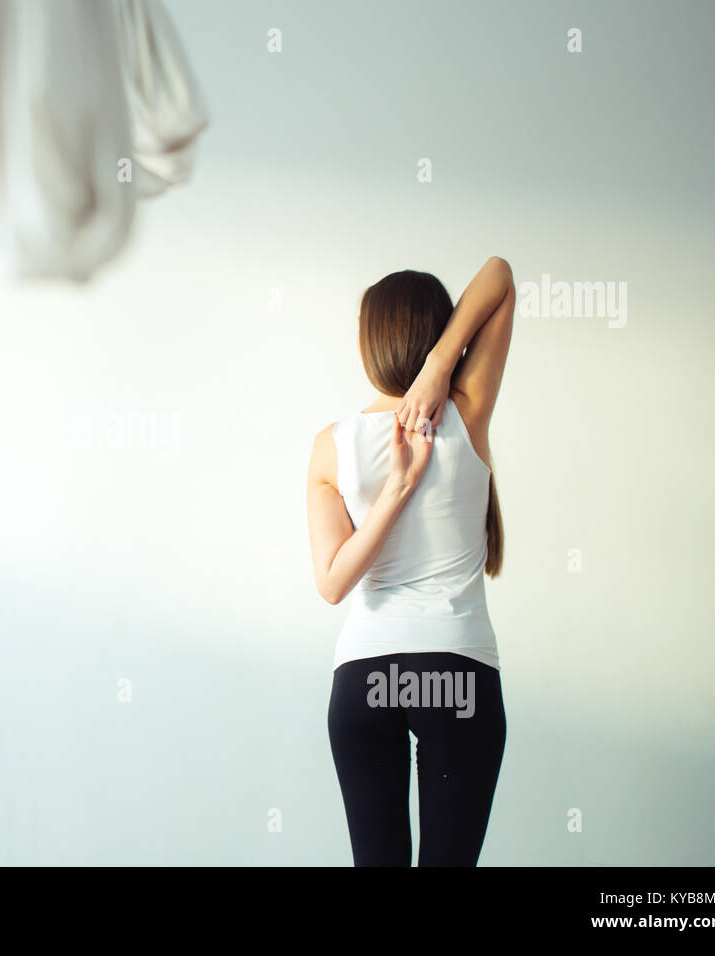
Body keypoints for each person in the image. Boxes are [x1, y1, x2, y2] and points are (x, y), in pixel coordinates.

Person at [305, 257, 516, 865]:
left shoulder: (331, 444)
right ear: (440, 334)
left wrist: (390, 492)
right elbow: (498, 275)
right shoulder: (467, 412)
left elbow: (333, 583)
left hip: (364, 679)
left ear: (368, 344)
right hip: (458, 675)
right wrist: (440, 369)